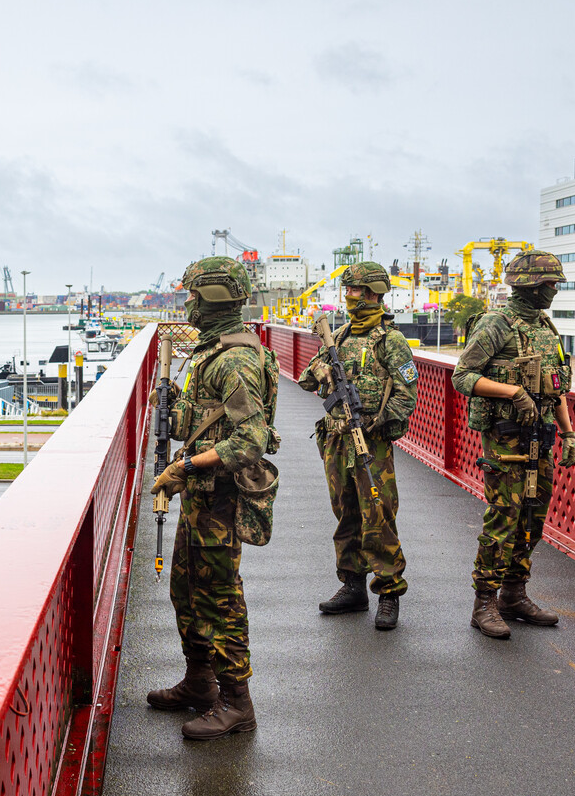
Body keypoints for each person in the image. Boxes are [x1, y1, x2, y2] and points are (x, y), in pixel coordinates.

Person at [147, 256, 281, 740]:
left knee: (220, 597)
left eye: (193, 295)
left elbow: (250, 441)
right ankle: (200, 683)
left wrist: (185, 466)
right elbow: (203, 422)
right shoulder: (211, 353)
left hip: (221, 500)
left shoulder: (235, 360)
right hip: (200, 497)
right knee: (185, 589)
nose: (188, 304)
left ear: (213, 298)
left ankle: (237, 703)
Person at [450, 250, 575, 638]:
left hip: (541, 439)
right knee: (503, 519)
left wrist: (569, 432)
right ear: (530, 285)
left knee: (532, 520)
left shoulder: (546, 328)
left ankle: (514, 594)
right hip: (506, 439)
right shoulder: (496, 324)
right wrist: (512, 392)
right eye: (549, 284)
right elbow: (463, 376)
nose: (554, 290)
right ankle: (484, 602)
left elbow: (557, 388)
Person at [298, 262, 418, 629]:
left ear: (374, 294)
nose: (349, 297)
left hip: (372, 445)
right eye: (347, 290)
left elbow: (407, 394)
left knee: (378, 515)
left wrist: (373, 422)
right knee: (345, 512)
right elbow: (306, 378)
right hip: (336, 439)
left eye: (356, 291)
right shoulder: (342, 336)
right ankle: (352, 585)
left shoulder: (391, 341)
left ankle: (388, 592)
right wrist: (322, 372)